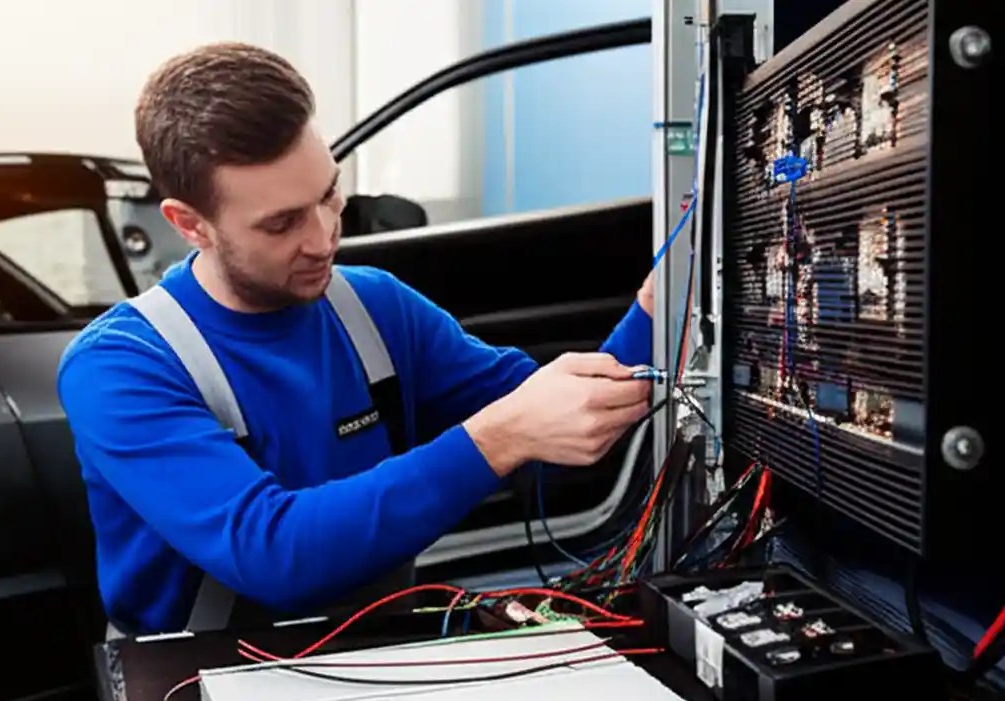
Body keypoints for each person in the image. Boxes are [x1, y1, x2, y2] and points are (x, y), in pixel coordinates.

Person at [56, 41, 656, 636]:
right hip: (197, 679)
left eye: (328, 195)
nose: (323, 239)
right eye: (282, 223)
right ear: (189, 224)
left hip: (374, 649)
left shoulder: (372, 306)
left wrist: (659, 309)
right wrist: (497, 439)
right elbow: (274, 554)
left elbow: (563, 416)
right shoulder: (120, 367)